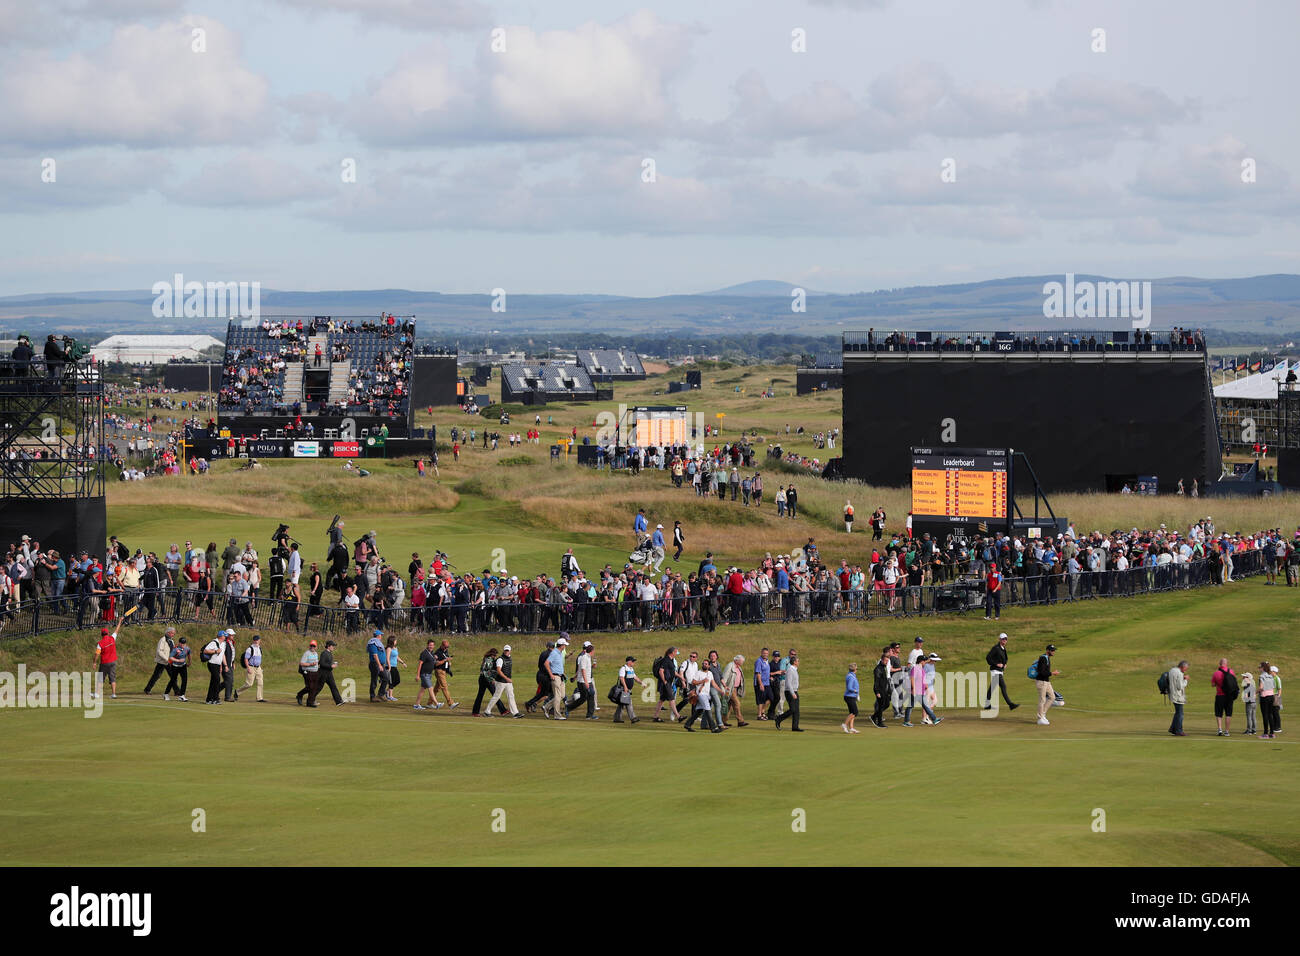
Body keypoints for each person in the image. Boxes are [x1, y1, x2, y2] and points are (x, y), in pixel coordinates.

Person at [683, 659, 723, 733]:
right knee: (708, 709)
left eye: (706, 664)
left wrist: (721, 691)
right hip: (701, 694)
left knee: (699, 711)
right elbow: (693, 682)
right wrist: (702, 681)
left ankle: (688, 724)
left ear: (709, 665)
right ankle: (713, 728)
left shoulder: (710, 673)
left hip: (706, 694)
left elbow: (713, 684)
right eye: (703, 664)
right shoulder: (698, 673)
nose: (704, 665)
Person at [485, 645, 524, 718]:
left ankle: (515, 713)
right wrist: (507, 678)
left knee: (511, 696)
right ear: (503, 651)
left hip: (507, 681)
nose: (506, 652)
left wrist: (508, 679)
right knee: (496, 696)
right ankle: (487, 711)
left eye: (508, 650)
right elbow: (499, 671)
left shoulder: (510, 658)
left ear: (510, 651)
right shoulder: (500, 659)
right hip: (500, 681)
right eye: (505, 650)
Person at [983, 632, 1018, 712]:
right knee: (1003, 686)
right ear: (999, 639)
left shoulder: (1003, 649)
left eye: (1006, 639)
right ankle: (1010, 704)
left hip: (1000, 671)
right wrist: (996, 664)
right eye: (1003, 639)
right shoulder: (996, 648)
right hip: (995, 671)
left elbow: (1006, 658)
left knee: (992, 688)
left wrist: (1005, 664)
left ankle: (986, 704)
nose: (1005, 640)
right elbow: (988, 658)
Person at [1032, 644, 1061, 725]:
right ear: (1047, 650)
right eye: (1052, 650)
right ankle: (1040, 718)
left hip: (1046, 682)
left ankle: (1043, 714)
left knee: (1052, 697)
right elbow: (1041, 672)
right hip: (1041, 682)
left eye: (1054, 650)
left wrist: (1051, 673)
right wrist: (1052, 673)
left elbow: (1044, 671)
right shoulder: (1043, 658)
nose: (1053, 652)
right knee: (1042, 699)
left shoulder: (1047, 658)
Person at [774, 652, 803, 731]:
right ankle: (779, 719)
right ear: (794, 662)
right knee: (793, 709)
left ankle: (795, 727)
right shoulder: (790, 670)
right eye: (798, 661)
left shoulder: (794, 670)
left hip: (794, 691)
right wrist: (793, 693)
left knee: (796, 710)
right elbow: (788, 683)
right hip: (790, 692)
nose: (799, 662)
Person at [142, 627, 176, 694]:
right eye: (172, 633)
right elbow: (159, 652)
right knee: (156, 676)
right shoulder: (162, 640)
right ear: (168, 633)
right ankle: (147, 689)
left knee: (173, 676)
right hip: (162, 661)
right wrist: (167, 659)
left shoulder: (171, 641)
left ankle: (177, 691)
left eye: (174, 633)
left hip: (169, 661)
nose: (173, 635)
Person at [542, 636, 568, 719]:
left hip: (561, 677)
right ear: (561, 645)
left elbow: (558, 665)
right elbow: (546, 663)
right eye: (565, 645)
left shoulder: (559, 653)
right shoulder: (554, 653)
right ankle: (557, 715)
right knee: (557, 696)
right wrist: (551, 675)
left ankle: (546, 706)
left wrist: (563, 673)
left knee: (562, 695)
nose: (565, 647)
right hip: (555, 676)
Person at [569, 641, 597, 719]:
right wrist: (586, 682)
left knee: (591, 695)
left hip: (588, 681)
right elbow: (582, 670)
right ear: (591, 651)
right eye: (593, 650)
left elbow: (587, 669)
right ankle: (568, 707)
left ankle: (590, 715)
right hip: (583, 682)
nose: (594, 652)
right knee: (583, 698)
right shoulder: (584, 657)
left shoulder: (588, 657)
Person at [613, 656, 644, 724]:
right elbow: (621, 678)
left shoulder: (631, 669)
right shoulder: (623, 668)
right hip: (624, 689)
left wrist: (641, 683)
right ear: (628, 661)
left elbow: (635, 677)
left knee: (621, 704)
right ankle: (633, 718)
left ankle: (617, 718)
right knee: (628, 703)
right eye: (633, 661)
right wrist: (625, 687)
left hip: (627, 689)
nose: (634, 662)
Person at [653, 647, 681, 722]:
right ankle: (678, 716)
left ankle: (655, 716)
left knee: (661, 700)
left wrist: (681, 677)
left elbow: (673, 672)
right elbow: (661, 671)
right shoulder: (666, 660)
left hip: (668, 682)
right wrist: (664, 681)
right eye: (676, 653)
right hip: (666, 683)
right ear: (672, 652)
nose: (676, 654)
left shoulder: (671, 660)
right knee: (672, 699)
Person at [1211, 657, 1237, 736]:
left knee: (1219, 713)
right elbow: (1234, 683)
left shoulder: (1216, 673)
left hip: (1220, 695)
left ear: (1219, 664)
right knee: (1228, 714)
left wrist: (1218, 683)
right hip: (1229, 696)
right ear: (1226, 664)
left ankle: (1219, 729)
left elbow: (1212, 684)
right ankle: (1227, 731)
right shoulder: (1231, 671)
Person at [91, 626, 118, 700]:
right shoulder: (112, 638)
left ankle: (97, 694)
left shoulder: (100, 643)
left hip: (104, 663)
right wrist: (120, 621)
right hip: (113, 661)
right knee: (112, 678)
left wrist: (94, 662)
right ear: (108, 633)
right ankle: (113, 694)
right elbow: (116, 630)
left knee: (100, 678)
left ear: (101, 634)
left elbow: (97, 654)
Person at [413, 639, 440, 711]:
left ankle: (416, 705)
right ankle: (437, 703)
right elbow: (420, 664)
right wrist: (418, 675)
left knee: (422, 690)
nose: (431, 646)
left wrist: (435, 658)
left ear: (434, 646)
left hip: (429, 674)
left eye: (432, 645)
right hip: (424, 674)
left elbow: (433, 662)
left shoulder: (432, 653)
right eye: (430, 645)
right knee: (431, 688)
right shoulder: (424, 653)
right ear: (427, 645)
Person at [721, 654, 748, 727]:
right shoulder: (730, 666)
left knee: (729, 705)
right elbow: (725, 677)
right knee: (737, 703)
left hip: (735, 689)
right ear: (736, 660)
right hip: (729, 689)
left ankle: (723, 721)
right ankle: (740, 721)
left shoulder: (738, 667)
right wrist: (724, 687)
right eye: (741, 661)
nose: (742, 663)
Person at [201, 630, 226, 704]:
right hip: (212, 663)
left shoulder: (223, 644)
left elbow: (221, 656)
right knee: (217, 680)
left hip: (218, 665)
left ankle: (209, 699)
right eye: (224, 636)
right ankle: (215, 699)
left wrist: (221, 666)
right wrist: (215, 651)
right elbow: (205, 651)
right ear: (221, 636)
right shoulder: (214, 642)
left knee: (213, 682)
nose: (225, 637)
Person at [433, 638, 458, 709]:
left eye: (448, 647)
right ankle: (451, 703)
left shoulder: (445, 651)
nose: (446, 648)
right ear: (442, 645)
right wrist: (445, 660)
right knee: (444, 687)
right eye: (445, 647)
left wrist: (449, 662)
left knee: (436, 689)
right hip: (439, 671)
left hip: (444, 671)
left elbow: (446, 658)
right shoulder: (438, 653)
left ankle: (430, 702)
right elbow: (436, 664)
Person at [240, 634, 266, 702]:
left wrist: (260, 667)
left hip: (258, 668)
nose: (256, 641)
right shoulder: (250, 649)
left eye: (257, 640)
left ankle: (259, 698)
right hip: (251, 667)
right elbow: (246, 659)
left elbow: (259, 659)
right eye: (255, 640)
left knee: (260, 682)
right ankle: (237, 692)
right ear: (253, 641)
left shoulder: (260, 648)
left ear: (259, 640)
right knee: (249, 684)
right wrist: (248, 668)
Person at [163, 636, 190, 701]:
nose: (183, 645)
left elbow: (189, 654)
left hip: (183, 666)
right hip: (175, 666)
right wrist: (178, 660)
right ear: (179, 643)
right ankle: (166, 694)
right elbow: (170, 657)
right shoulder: (175, 649)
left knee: (185, 680)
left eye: (184, 643)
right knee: (173, 680)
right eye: (182, 643)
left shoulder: (187, 648)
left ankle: (182, 695)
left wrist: (189, 662)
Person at [319, 640, 344, 706]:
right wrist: (330, 665)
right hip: (323, 673)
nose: (333, 647)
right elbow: (321, 664)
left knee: (333, 686)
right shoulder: (324, 653)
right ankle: (310, 700)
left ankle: (338, 701)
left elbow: (327, 663)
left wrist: (333, 664)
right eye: (332, 646)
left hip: (329, 673)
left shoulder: (330, 653)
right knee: (319, 687)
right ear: (328, 646)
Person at [297, 639, 322, 706]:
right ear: (309, 646)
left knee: (314, 688)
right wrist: (310, 664)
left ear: (316, 647)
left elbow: (316, 662)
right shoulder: (306, 653)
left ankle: (310, 703)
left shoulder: (316, 653)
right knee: (310, 687)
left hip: (315, 672)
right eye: (311, 646)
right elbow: (301, 663)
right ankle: (299, 695)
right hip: (308, 672)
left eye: (314, 646)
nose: (312, 647)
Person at [367, 630, 389, 702]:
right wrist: (379, 665)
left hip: (380, 664)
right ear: (378, 635)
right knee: (374, 680)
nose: (382, 636)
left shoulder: (378, 643)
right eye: (381, 635)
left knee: (386, 678)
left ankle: (381, 694)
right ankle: (372, 697)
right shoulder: (372, 643)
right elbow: (375, 655)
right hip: (375, 664)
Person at [1167, 660, 1189, 736]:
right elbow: (1180, 686)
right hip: (1178, 696)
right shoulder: (1179, 673)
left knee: (1177, 713)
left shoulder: (1172, 670)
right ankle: (1179, 730)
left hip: (1172, 694)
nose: (1185, 670)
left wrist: (1182, 677)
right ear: (1182, 666)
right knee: (1180, 714)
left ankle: (1173, 728)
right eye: (1185, 668)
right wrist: (1185, 680)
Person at [1258, 662, 1278, 739]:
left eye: (1259, 667)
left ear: (1263, 668)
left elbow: (1261, 687)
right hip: (1271, 696)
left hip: (1264, 697)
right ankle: (1272, 733)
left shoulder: (1262, 676)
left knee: (1265, 715)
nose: (1259, 668)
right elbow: (1273, 687)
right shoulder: (1271, 675)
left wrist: (1255, 693)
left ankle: (1265, 733)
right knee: (1270, 714)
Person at [753, 647, 772, 720]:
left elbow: (766, 672)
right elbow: (758, 673)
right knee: (761, 699)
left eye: (767, 653)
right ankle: (759, 715)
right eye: (764, 653)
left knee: (771, 698)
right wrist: (760, 684)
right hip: (760, 683)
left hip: (767, 683)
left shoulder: (767, 661)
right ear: (761, 653)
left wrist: (770, 677)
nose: (765, 654)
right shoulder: (759, 661)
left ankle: (762, 711)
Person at [843, 662, 860, 734]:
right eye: (856, 668)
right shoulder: (850, 676)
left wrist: (857, 695)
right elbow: (850, 687)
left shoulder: (852, 675)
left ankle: (851, 728)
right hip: (849, 696)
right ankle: (844, 724)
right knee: (855, 712)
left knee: (852, 712)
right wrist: (855, 691)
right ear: (855, 669)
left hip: (852, 696)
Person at [385, 636, 404, 702]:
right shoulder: (389, 649)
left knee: (397, 681)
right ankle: (390, 696)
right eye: (395, 640)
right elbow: (387, 658)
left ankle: (387, 691)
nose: (396, 641)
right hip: (389, 667)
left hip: (394, 667)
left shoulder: (395, 648)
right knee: (391, 681)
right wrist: (389, 666)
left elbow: (397, 657)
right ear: (392, 641)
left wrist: (402, 662)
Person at [1240, 670, 1256, 736]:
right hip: (1254, 702)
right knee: (1253, 716)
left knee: (1249, 716)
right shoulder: (1253, 683)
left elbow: (1246, 694)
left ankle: (1249, 730)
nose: (1243, 678)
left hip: (1249, 702)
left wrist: (1245, 699)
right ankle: (1254, 730)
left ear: (1247, 677)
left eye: (1244, 677)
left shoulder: (1246, 684)